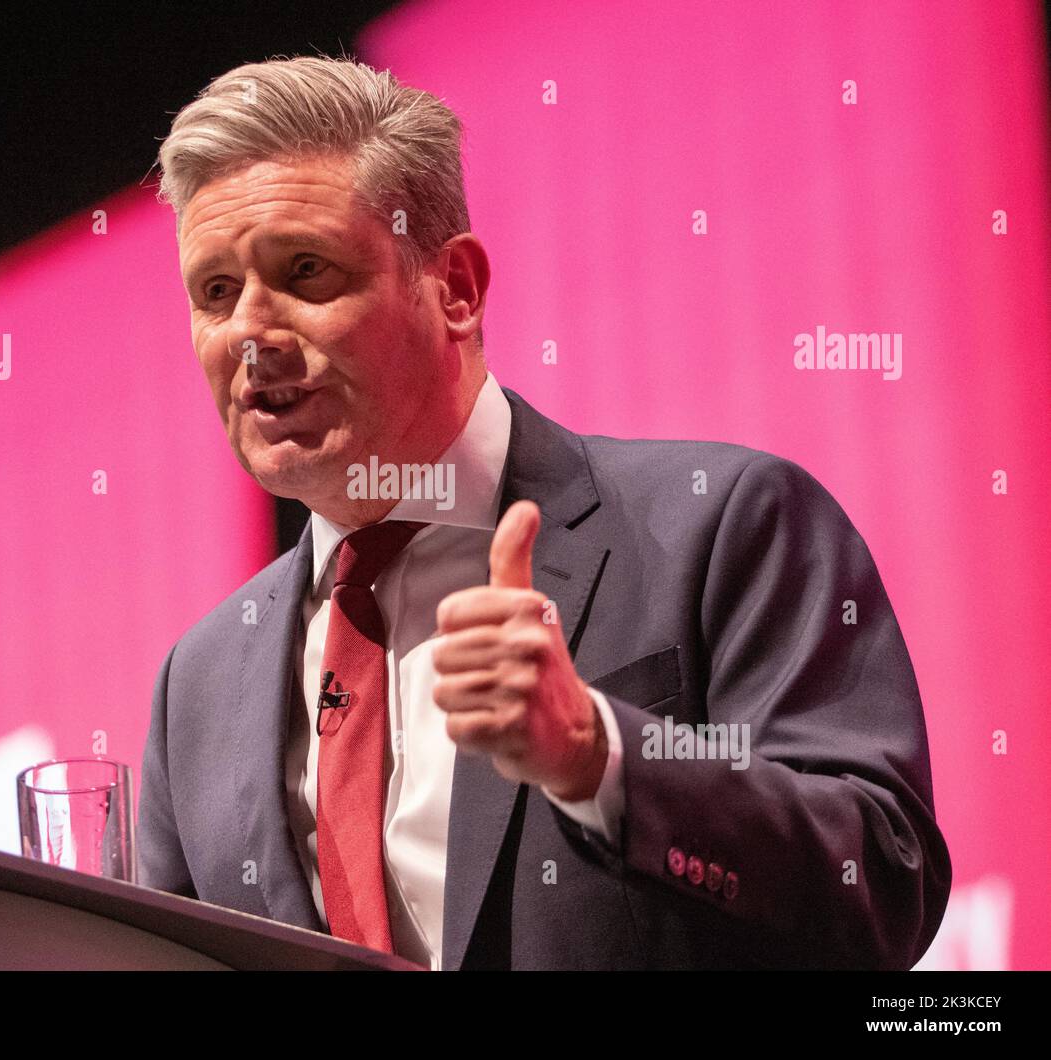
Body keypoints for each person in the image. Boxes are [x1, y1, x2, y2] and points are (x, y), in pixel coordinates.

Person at [136, 54, 951, 970]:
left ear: (456, 290)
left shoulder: (722, 526)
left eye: (307, 269)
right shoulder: (196, 688)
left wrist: (596, 753)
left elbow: (882, 882)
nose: (251, 330)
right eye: (215, 291)